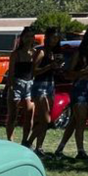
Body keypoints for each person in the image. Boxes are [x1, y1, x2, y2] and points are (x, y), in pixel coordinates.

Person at [55, 26, 88, 160]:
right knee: (80, 121)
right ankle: (81, 152)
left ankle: (60, 149)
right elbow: (68, 74)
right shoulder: (79, 53)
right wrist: (84, 72)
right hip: (79, 86)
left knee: (74, 121)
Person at [27, 26, 62, 156]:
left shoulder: (54, 53)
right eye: (53, 37)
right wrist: (49, 66)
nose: (55, 40)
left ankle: (39, 147)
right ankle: (29, 141)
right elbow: (34, 71)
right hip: (40, 85)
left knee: (44, 120)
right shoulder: (41, 52)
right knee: (46, 119)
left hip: (50, 85)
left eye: (57, 38)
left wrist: (57, 67)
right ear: (48, 37)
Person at [6, 27, 36, 145]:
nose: (29, 39)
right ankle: (10, 141)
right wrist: (11, 86)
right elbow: (11, 72)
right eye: (27, 36)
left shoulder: (34, 53)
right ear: (22, 38)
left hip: (29, 85)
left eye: (31, 36)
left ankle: (25, 140)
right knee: (13, 114)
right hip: (17, 84)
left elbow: (35, 70)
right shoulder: (16, 54)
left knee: (29, 113)